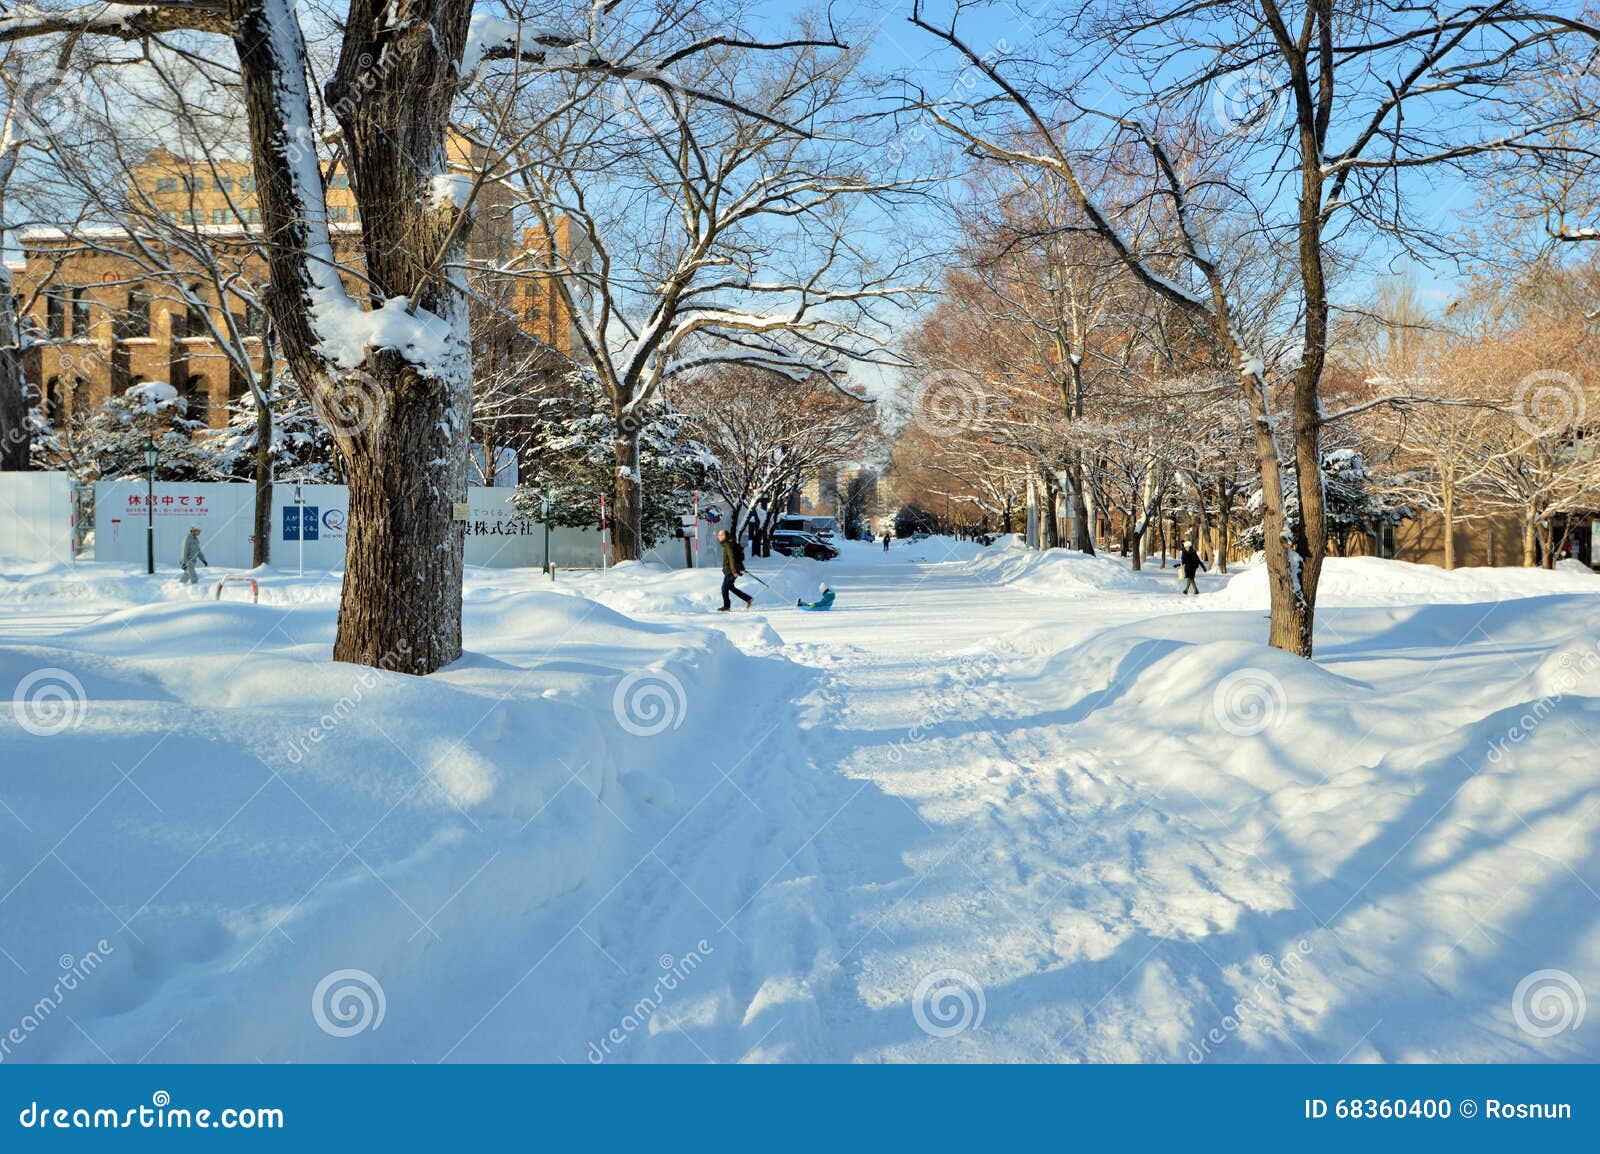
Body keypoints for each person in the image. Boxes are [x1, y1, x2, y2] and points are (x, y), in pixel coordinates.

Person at [717, 528, 753, 611]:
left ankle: (726, 606)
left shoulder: (728, 545)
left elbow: (732, 558)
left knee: (724, 588)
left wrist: (734, 572)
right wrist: (742, 568)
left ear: (724, 536)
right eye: (719, 535)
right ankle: (748, 599)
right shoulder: (727, 544)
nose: (718, 536)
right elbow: (736, 558)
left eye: (720, 535)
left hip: (731, 570)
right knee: (730, 587)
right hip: (731, 570)